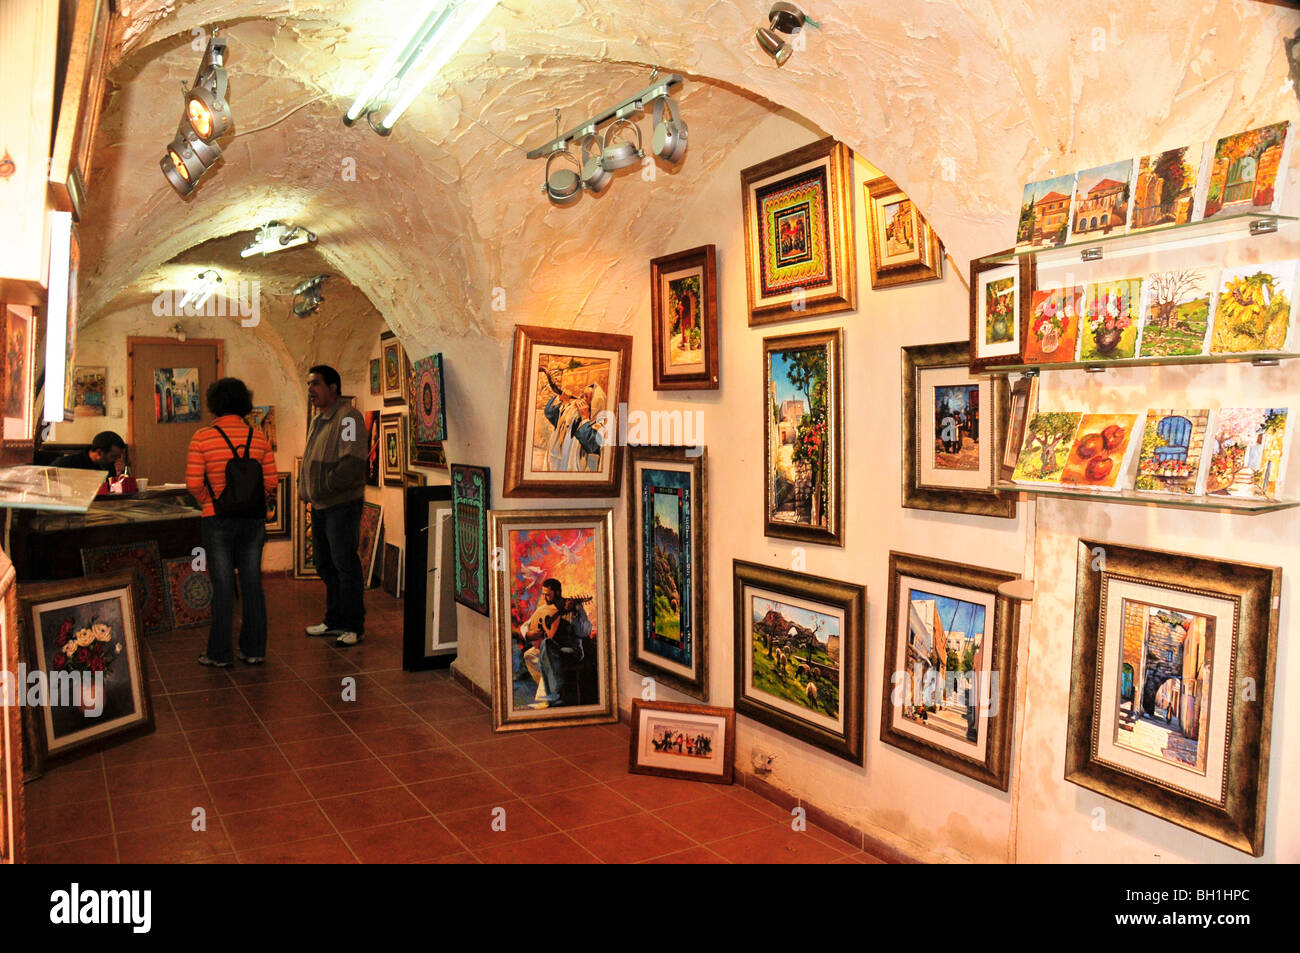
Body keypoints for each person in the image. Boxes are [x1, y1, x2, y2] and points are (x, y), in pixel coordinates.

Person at [185, 379, 277, 667]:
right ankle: (254, 650)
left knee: (223, 585)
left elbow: (192, 483)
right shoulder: (259, 437)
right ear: (244, 403)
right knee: (252, 583)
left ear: (214, 403)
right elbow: (272, 481)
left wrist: (209, 501)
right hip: (252, 520)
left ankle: (220, 654)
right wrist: (250, 500)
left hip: (217, 519)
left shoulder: (202, 437)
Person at [300, 364, 368, 646]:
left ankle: (353, 625)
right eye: (309, 385)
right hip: (320, 506)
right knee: (324, 563)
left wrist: (324, 487)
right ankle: (334, 619)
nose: (310, 390)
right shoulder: (318, 420)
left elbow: (352, 464)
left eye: (315, 384)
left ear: (333, 388)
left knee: (345, 565)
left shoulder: (348, 417)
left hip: (341, 505)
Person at [518, 578, 591, 709]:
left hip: (570, 651)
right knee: (529, 655)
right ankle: (552, 690)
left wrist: (575, 613)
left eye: (548, 594)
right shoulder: (544, 609)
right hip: (551, 651)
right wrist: (528, 635)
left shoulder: (573, 606)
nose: (545, 597)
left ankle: (545, 700)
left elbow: (584, 631)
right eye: (544, 594)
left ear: (558, 592)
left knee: (546, 644)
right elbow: (525, 626)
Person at [52, 430, 127, 478]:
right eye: (113, 456)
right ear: (99, 452)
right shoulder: (67, 464)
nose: (116, 460)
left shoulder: (108, 465)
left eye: (118, 457)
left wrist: (118, 476)